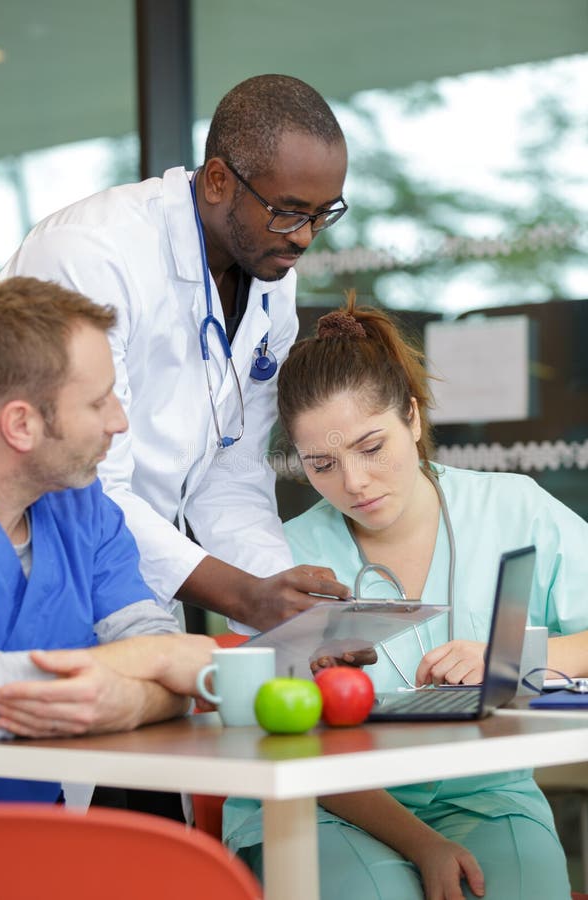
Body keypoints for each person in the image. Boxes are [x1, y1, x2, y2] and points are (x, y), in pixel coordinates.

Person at [224, 293, 588, 899]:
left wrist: (517, 659)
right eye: (322, 463)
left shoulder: (514, 507)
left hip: (485, 791)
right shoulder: (283, 560)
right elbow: (284, 742)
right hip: (324, 800)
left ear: (413, 419)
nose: (354, 482)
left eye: (371, 448)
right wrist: (423, 844)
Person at [0, 73, 351, 633]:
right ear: (217, 180)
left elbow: (231, 474)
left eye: (323, 214)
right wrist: (242, 596)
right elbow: (90, 483)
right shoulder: (91, 255)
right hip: (43, 579)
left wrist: (294, 619)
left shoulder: (270, 280)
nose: (305, 237)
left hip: (133, 591)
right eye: (288, 211)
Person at [0, 276, 216, 802]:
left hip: (42, 848)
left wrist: (133, 701)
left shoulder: (83, 509)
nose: (119, 420)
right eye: (97, 402)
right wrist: (144, 663)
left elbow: (180, 666)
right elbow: (163, 658)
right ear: (21, 424)